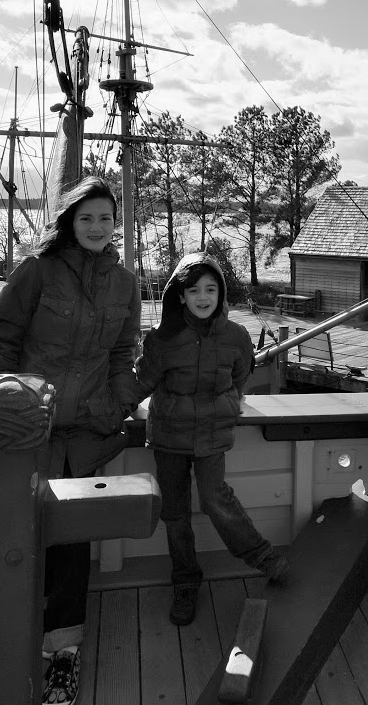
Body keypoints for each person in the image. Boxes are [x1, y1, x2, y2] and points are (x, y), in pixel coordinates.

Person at [0, 175, 140, 705]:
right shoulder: (37, 272)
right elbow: (3, 342)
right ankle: (16, 634)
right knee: (20, 534)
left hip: (85, 433)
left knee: (72, 545)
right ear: (69, 221)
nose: (97, 227)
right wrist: (2, 410)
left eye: (105, 218)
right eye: (87, 217)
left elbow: (125, 354)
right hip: (29, 427)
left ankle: (62, 651)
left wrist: (114, 407)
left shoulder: (125, 284)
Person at [122, 251, 290, 629]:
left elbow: (240, 376)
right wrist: (108, 409)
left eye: (211, 289)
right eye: (194, 289)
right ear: (179, 295)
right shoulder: (162, 339)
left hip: (212, 437)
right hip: (168, 437)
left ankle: (262, 557)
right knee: (176, 514)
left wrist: (229, 402)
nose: (202, 296)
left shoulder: (236, 337)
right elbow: (142, 383)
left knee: (215, 498)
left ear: (221, 294)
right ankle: (185, 581)